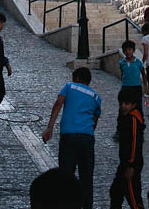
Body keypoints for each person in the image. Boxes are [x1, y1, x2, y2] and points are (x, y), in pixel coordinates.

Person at [42, 67, 101, 209]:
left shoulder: (69, 87)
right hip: (87, 138)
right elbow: (94, 120)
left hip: (69, 136)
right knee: (86, 177)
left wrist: (50, 127)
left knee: (66, 176)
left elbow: (58, 104)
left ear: (77, 79)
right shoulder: (96, 97)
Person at [109, 89, 145, 209]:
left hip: (130, 165)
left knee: (133, 197)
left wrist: (131, 165)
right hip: (125, 163)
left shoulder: (134, 120)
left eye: (126, 104)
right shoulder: (126, 117)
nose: (123, 106)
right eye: (121, 103)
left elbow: (135, 144)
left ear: (133, 104)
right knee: (115, 192)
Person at [113, 39, 148, 140]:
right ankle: (119, 130)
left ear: (133, 50)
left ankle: (140, 130)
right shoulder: (122, 63)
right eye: (125, 50)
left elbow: (143, 74)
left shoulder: (138, 62)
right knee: (122, 110)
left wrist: (145, 86)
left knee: (138, 109)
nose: (127, 51)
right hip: (125, 87)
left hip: (136, 88)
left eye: (129, 49)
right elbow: (122, 74)